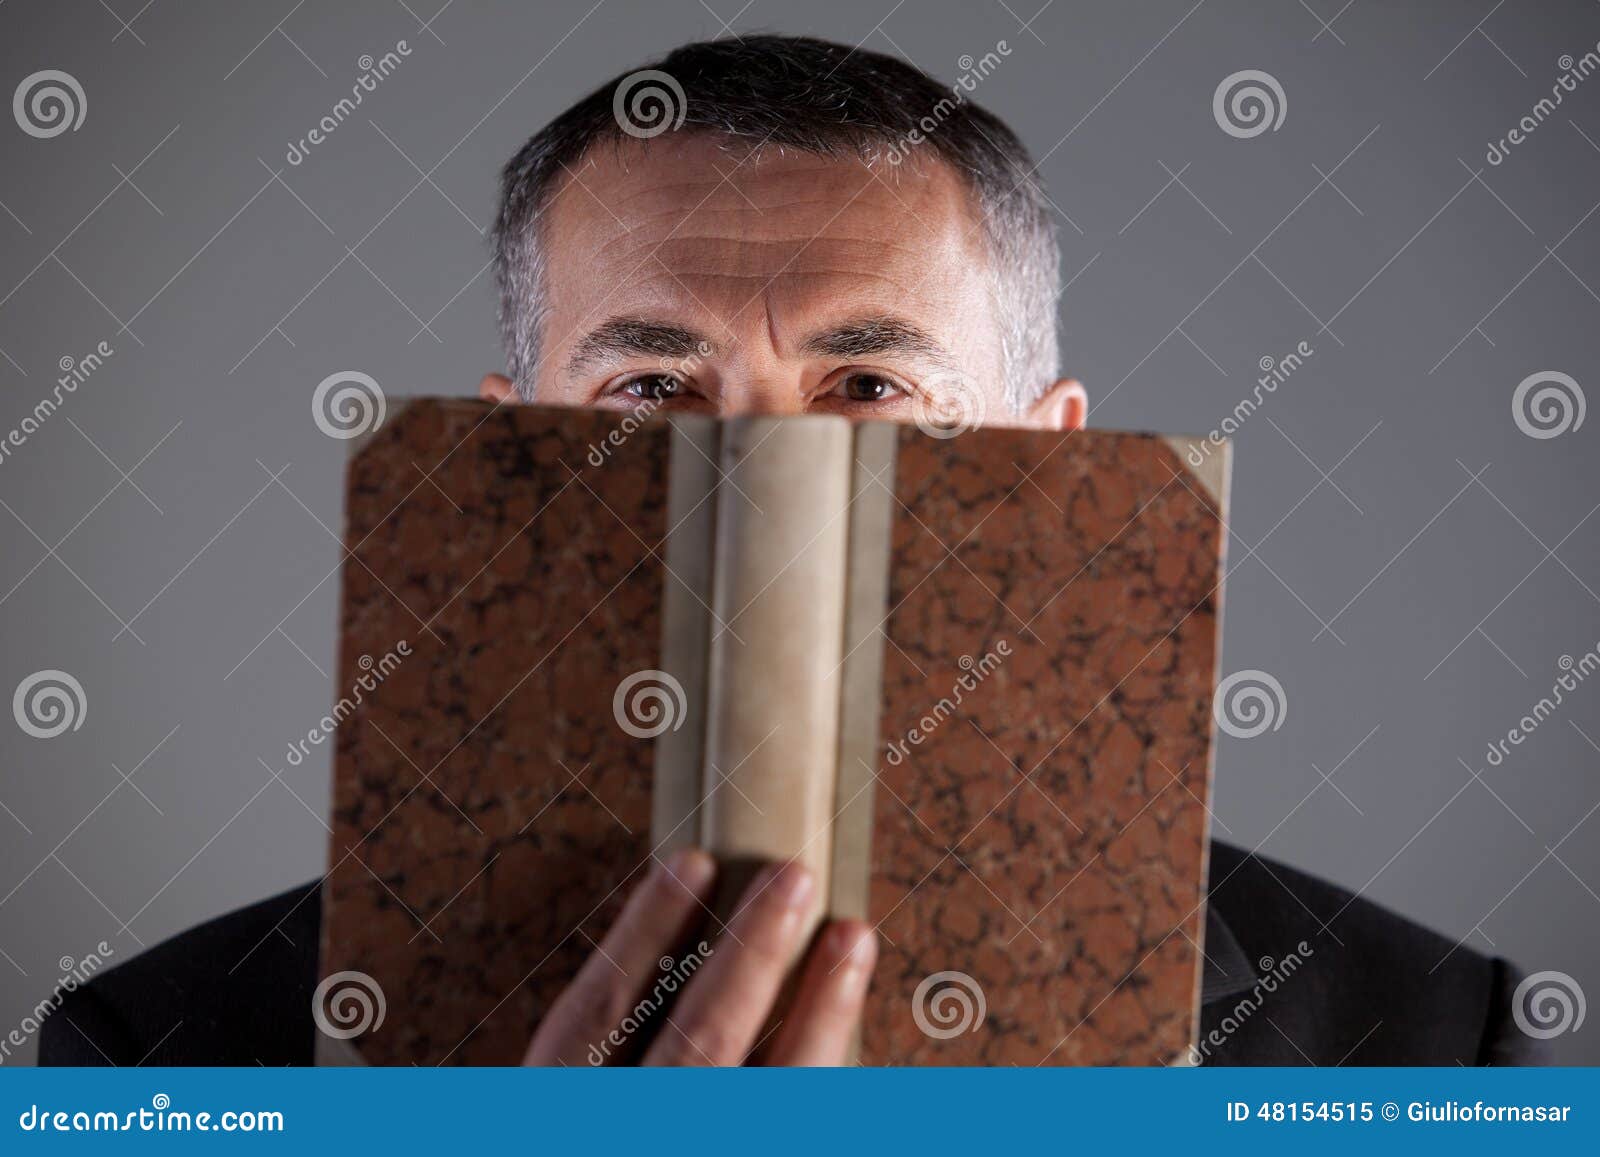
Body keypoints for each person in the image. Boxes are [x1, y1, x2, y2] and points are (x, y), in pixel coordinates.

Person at [41, 35, 1539, 1067]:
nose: (761, 488)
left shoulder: (1423, 1037)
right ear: (504, 456)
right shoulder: (158, 1052)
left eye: (870, 390)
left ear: (1059, 454)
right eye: (649, 393)